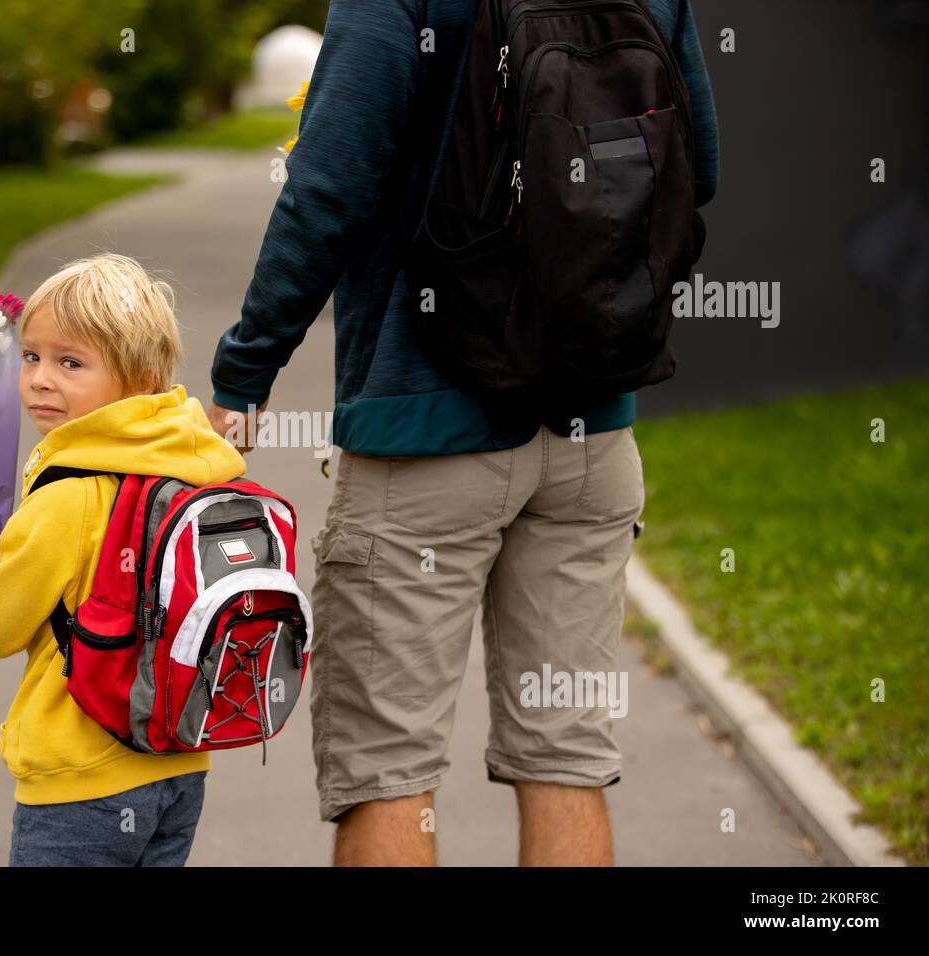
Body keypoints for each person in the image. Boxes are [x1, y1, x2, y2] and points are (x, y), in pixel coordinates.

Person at [208, 0, 720, 866]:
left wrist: (244, 374)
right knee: (566, 754)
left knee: (387, 769)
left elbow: (328, 188)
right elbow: (693, 165)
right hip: (593, 437)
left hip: (423, 440)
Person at [0, 253, 246, 866]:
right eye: (30, 356)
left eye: (70, 362)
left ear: (138, 378)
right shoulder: (192, 470)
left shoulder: (67, 497)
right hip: (178, 764)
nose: (38, 378)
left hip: (79, 781)